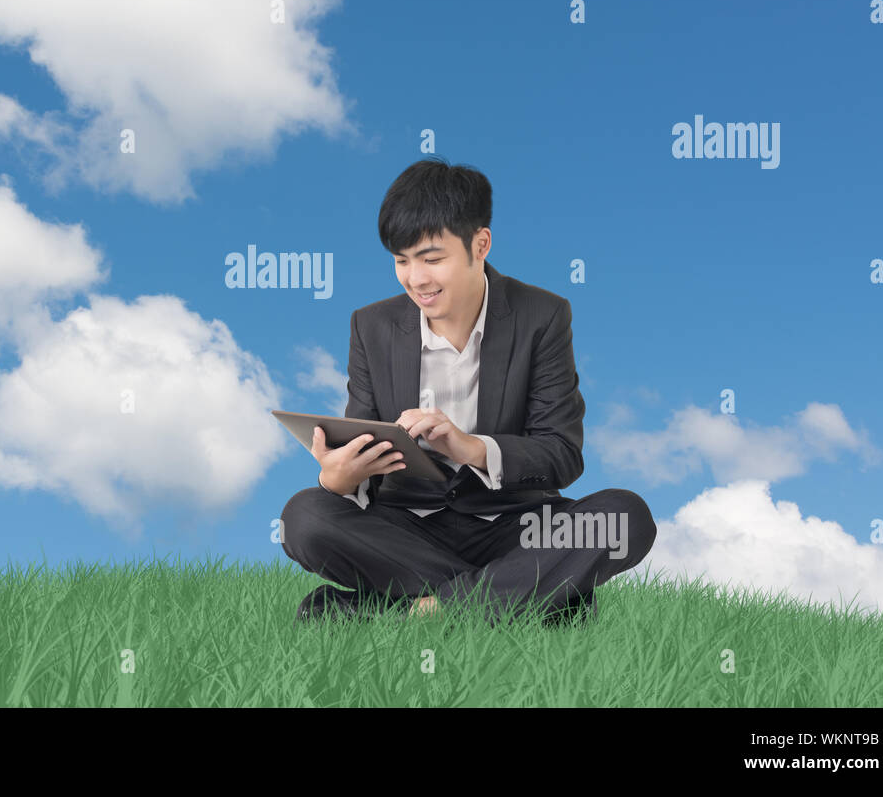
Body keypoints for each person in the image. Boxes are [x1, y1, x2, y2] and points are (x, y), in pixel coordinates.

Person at [280, 157, 656, 626]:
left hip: (514, 526)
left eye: (432, 259)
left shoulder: (542, 316)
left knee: (624, 516)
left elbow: (561, 454)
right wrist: (339, 480)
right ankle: (530, 599)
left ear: (480, 244)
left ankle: (412, 611)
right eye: (401, 261)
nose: (416, 279)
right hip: (407, 530)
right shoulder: (371, 326)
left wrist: (471, 447)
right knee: (303, 517)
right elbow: (365, 448)